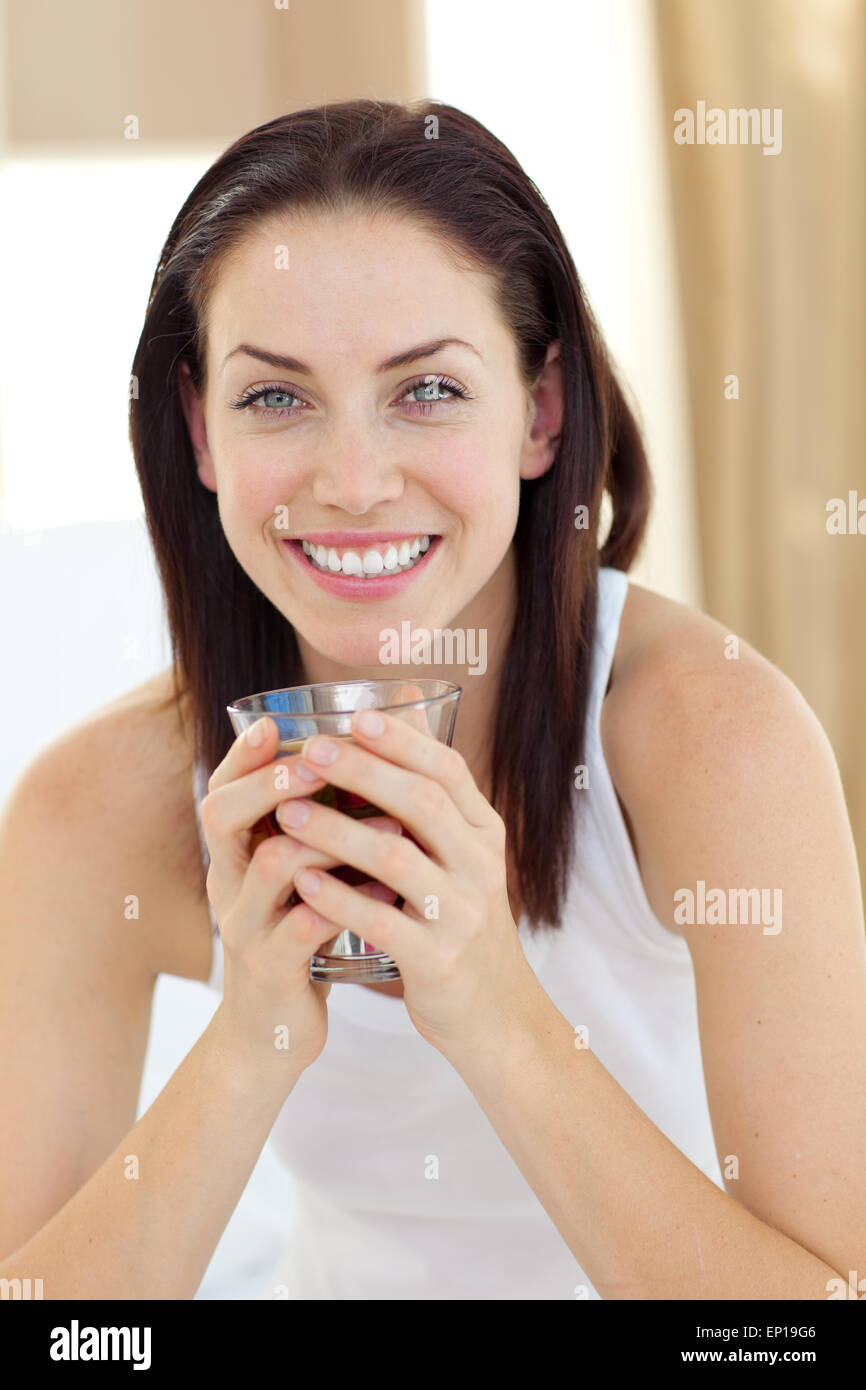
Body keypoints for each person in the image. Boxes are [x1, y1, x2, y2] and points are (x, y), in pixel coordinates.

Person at [1, 99, 863, 1301]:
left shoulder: (710, 742)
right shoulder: (93, 807)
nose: (353, 482)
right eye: (274, 398)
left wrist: (496, 1013)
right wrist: (251, 1042)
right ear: (199, 431)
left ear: (541, 409)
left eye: (427, 392)